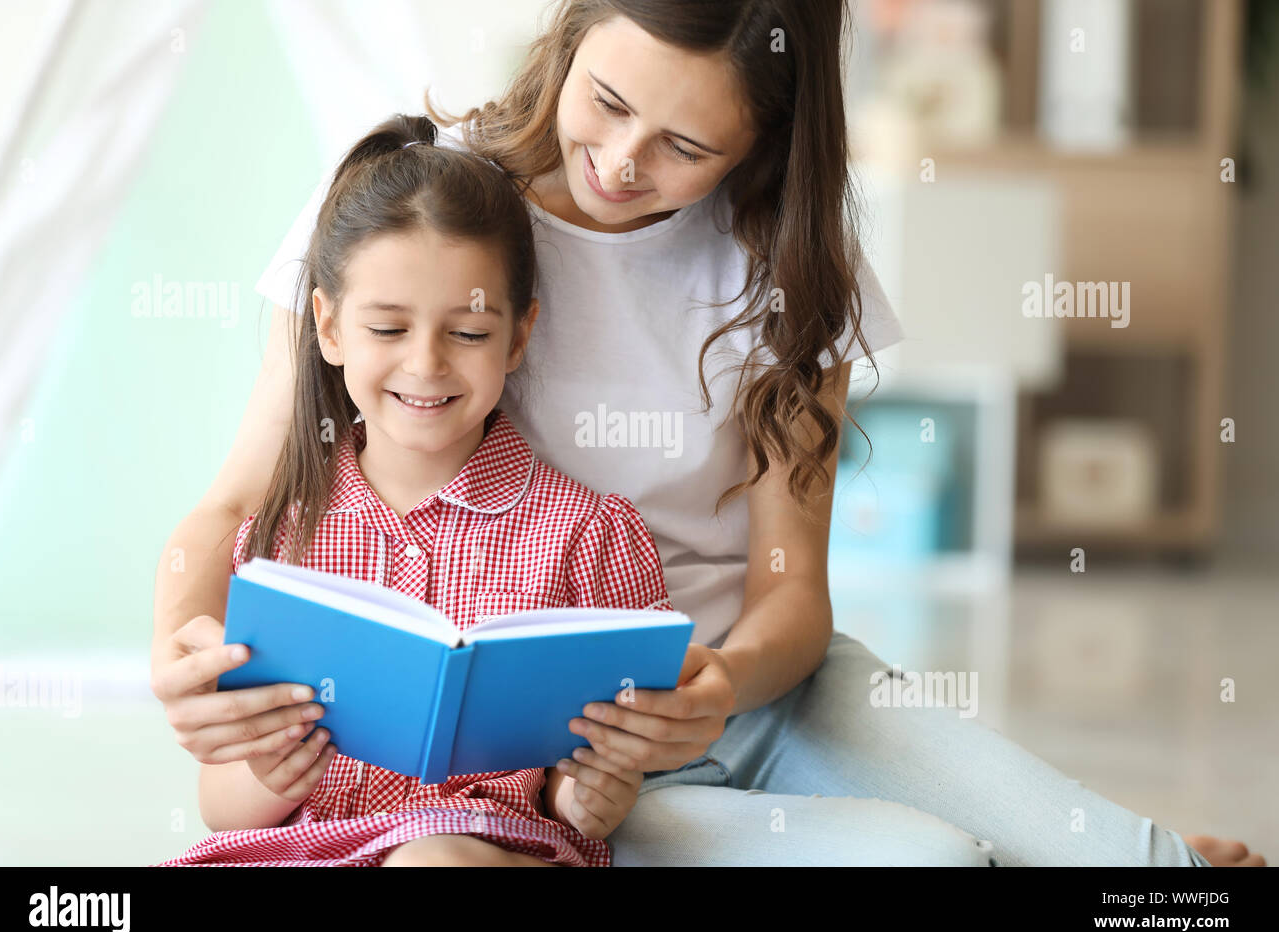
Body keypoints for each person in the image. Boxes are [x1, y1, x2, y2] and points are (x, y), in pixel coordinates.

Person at [152, 0, 1260, 866]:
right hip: (570, 756)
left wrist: (718, 689)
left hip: (766, 688)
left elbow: (792, 596)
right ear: (573, 37)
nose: (625, 160)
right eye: (608, 100)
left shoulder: (787, 266)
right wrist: (183, 651)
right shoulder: (423, 204)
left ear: (759, 146)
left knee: (1138, 862)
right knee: (936, 859)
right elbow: (236, 497)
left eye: (685, 143)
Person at [156, 114, 674, 867]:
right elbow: (220, 806)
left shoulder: (589, 535)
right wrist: (269, 775)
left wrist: (589, 797)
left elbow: (588, 777)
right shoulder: (278, 540)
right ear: (329, 329)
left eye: (466, 333)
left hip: (483, 850)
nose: (426, 365)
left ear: (518, 337)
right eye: (388, 330)